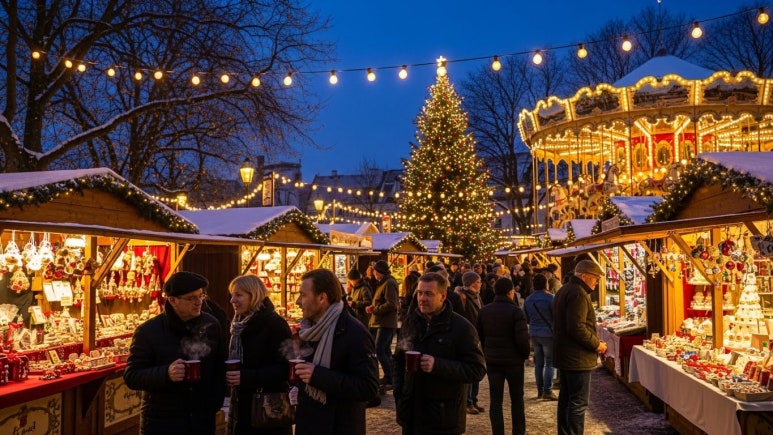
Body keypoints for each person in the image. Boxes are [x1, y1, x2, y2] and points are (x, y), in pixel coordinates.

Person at [124, 271, 227, 435]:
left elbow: (220, 365)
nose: (198, 302)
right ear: (172, 300)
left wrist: (214, 402)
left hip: (201, 420)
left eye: (201, 296)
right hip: (163, 421)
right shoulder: (148, 331)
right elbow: (132, 376)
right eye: (191, 298)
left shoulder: (211, 325)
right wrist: (166, 373)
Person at [393, 272, 487, 435]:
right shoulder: (411, 322)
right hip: (411, 415)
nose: (422, 298)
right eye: (420, 293)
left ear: (443, 296)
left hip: (443, 418)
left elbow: (477, 370)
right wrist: (400, 394)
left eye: (429, 294)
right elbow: (399, 360)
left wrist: (438, 365)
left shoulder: (461, 327)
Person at [293, 268, 379, 435]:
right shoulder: (308, 330)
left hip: (338, 425)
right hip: (309, 423)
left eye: (303, 295)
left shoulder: (355, 333)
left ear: (322, 298)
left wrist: (318, 376)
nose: (298, 301)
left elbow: (368, 388)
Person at [225, 274, 293, 435]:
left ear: (254, 295)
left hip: (267, 410)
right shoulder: (238, 325)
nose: (232, 300)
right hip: (242, 405)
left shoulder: (275, 325)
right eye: (232, 295)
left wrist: (246, 376)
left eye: (239, 295)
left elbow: (286, 368)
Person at [553, 260, 608, 435]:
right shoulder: (578, 293)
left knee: (566, 400)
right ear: (584, 276)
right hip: (577, 358)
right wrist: (596, 344)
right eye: (595, 279)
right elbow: (576, 327)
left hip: (566, 355)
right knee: (577, 402)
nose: (596, 282)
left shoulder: (565, 290)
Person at [476, 277, 530, 435]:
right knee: (517, 399)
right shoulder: (515, 312)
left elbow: (480, 335)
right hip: (514, 362)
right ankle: (518, 431)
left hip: (493, 361)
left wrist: (487, 352)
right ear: (510, 292)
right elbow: (522, 339)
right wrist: (524, 355)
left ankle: (497, 432)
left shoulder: (484, 311)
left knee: (496, 400)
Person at [455, 271, 485, 415]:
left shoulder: (477, 296)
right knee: (470, 369)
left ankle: (474, 399)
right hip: (468, 336)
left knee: (477, 368)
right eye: (479, 281)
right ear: (472, 283)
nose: (481, 284)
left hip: (478, 336)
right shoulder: (463, 297)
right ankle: (468, 402)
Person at [523, 273, 557, 401]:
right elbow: (555, 316)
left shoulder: (528, 299)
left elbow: (525, 317)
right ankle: (547, 391)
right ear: (546, 284)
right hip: (548, 333)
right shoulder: (550, 298)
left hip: (534, 333)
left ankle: (540, 390)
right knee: (549, 362)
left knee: (539, 363)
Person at [367, 260, 400, 391]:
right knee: (385, 350)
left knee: (380, 349)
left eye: (375, 271)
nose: (374, 273)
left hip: (385, 322)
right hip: (382, 321)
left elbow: (391, 304)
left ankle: (389, 377)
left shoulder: (389, 283)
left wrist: (375, 309)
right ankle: (391, 377)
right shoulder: (384, 283)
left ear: (380, 271)